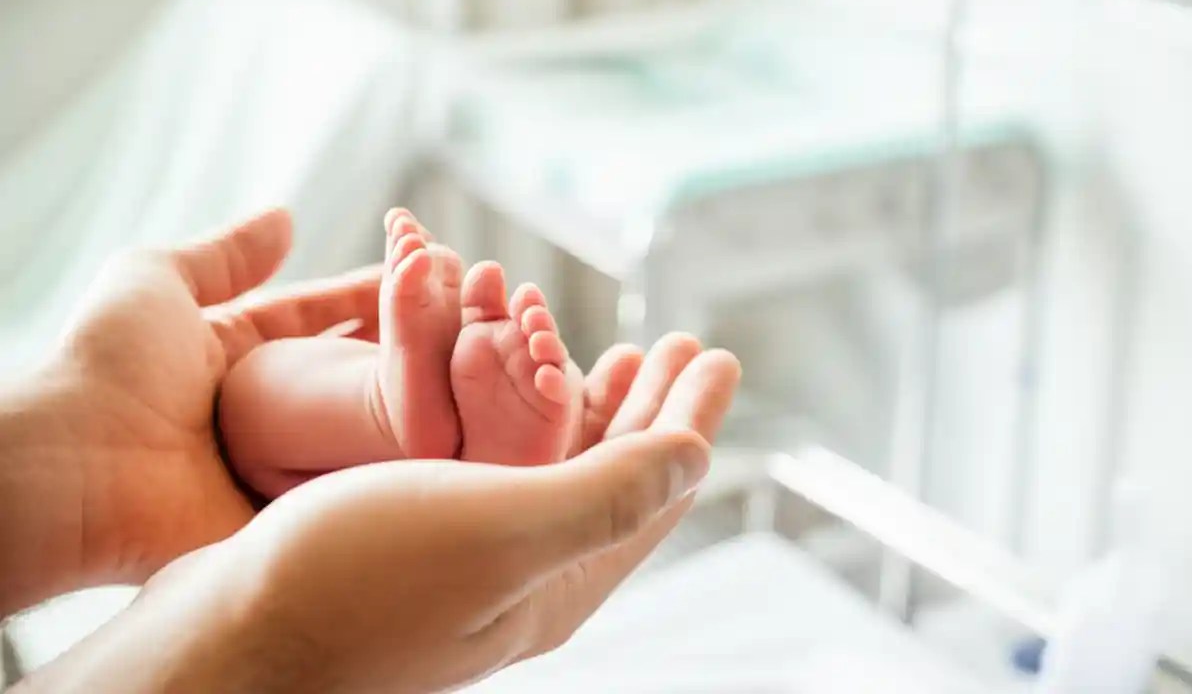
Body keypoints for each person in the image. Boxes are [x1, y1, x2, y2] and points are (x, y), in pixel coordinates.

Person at [0, 208, 741, 692]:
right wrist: (252, 646)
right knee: (251, 397)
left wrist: (72, 450)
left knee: (246, 391)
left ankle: (395, 416)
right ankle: (408, 420)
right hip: (278, 498)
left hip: (262, 480)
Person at [219, 208, 589, 499]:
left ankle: (394, 409)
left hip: (371, 525)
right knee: (244, 393)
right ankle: (386, 404)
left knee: (249, 395)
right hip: (348, 519)